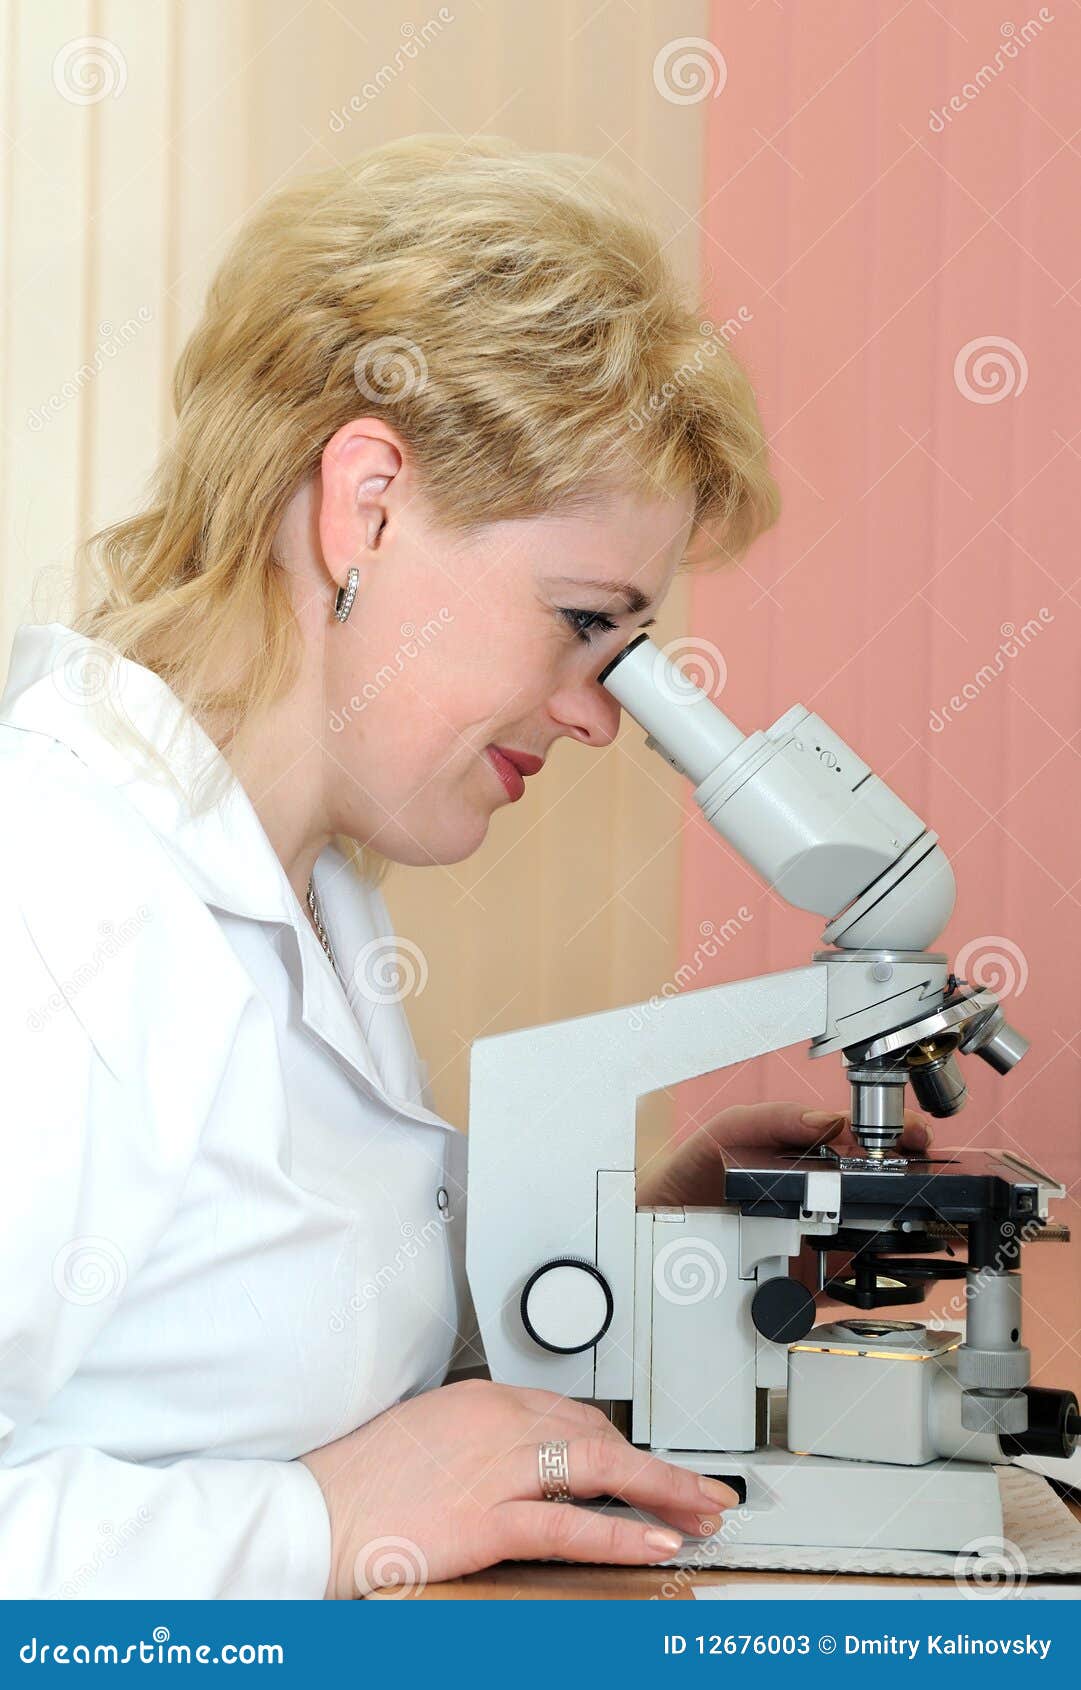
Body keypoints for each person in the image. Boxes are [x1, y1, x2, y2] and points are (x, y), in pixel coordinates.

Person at [0, 134, 927, 1600]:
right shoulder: (55, 897)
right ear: (363, 506)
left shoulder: (302, 883)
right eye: (579, 623)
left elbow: (257, 1349)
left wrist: (628, 1258)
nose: (598, 714)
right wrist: (315, 1524)